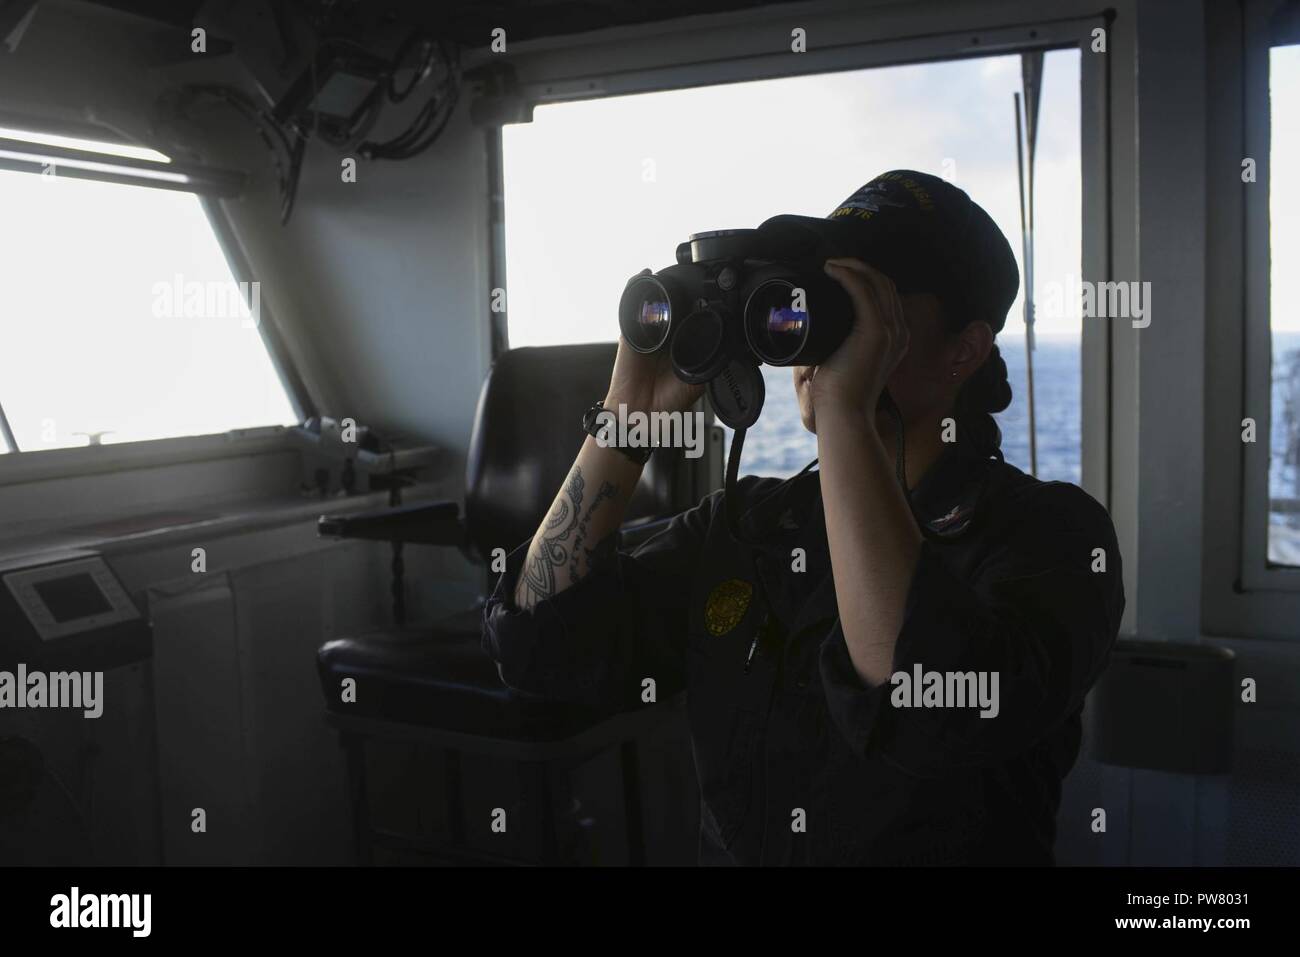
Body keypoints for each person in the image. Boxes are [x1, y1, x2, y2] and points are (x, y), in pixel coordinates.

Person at [481, 170, 1125, 865]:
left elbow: (920, 707)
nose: (826, 340)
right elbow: (539, 647)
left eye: (868, 305)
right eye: (821, 297)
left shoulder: (1056, 538)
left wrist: (846, 412)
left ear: (963, 350)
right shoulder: (749, 526)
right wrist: (626, 422)